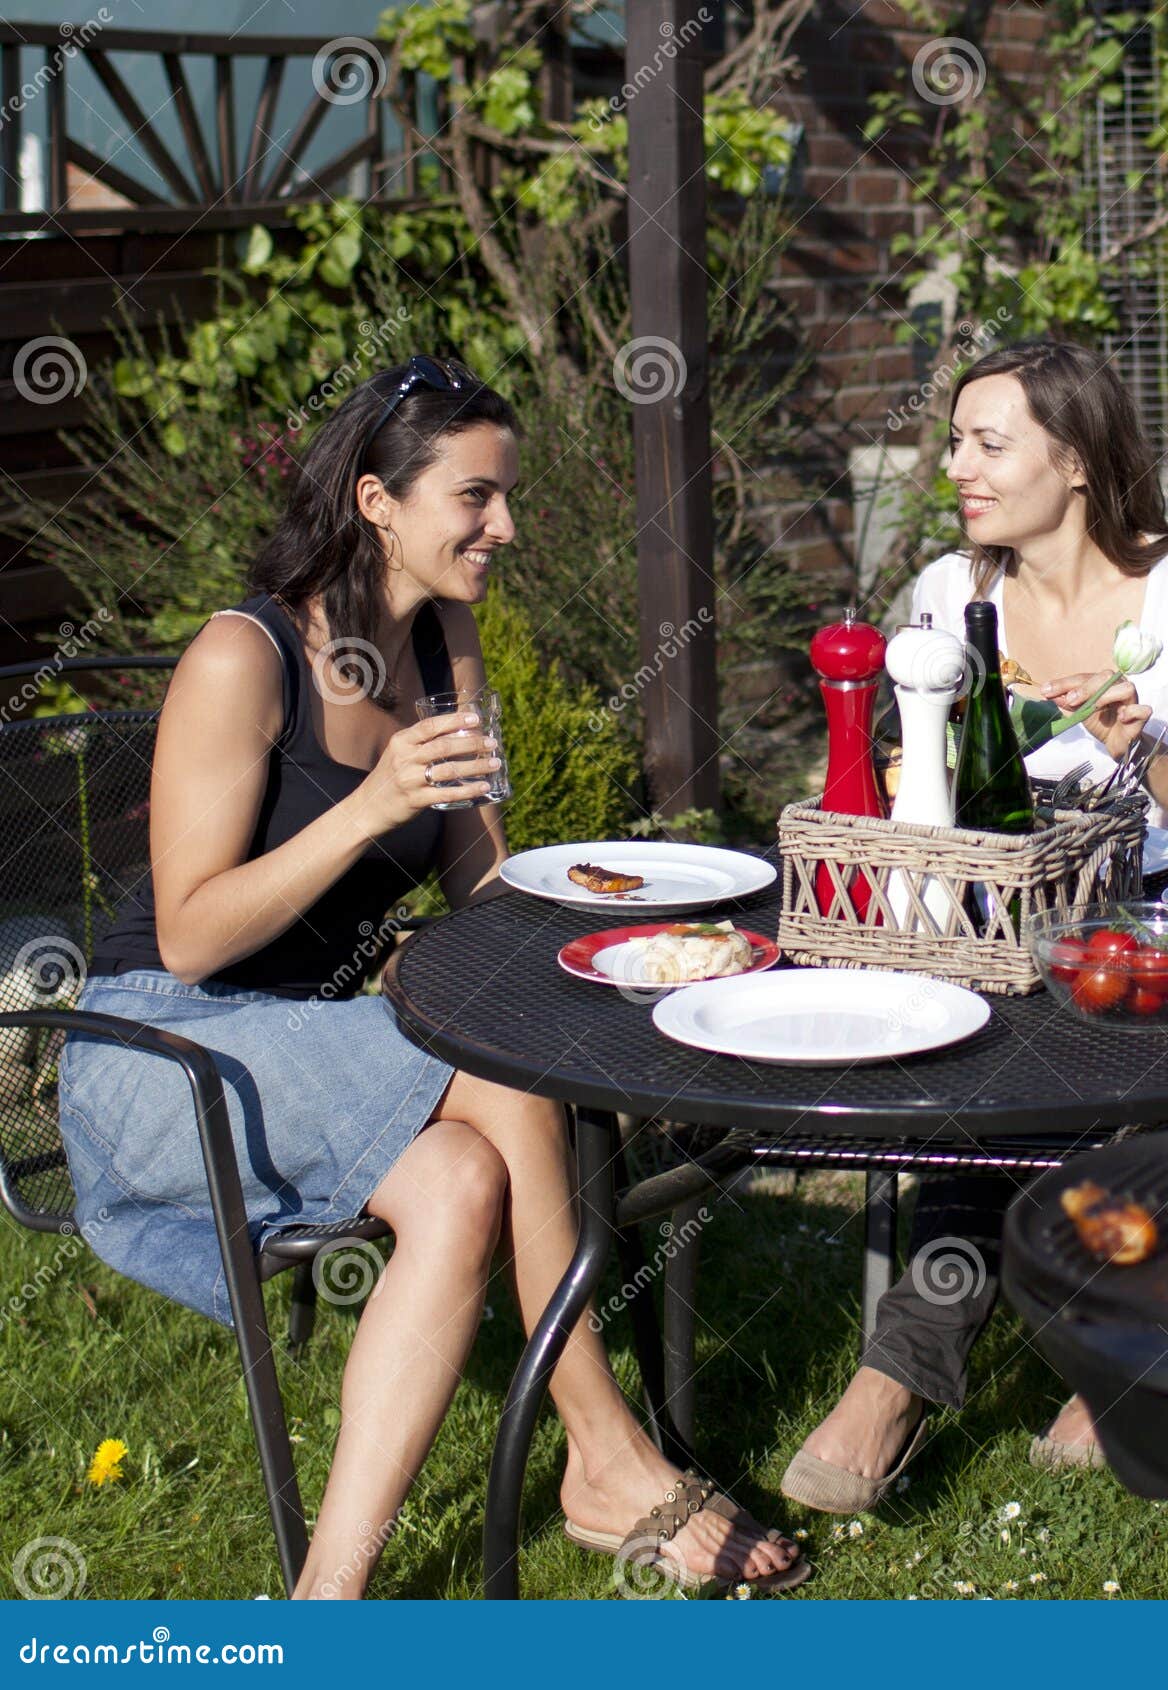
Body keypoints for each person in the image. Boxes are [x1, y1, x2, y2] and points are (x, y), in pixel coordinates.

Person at [57, 356, 806, 1599]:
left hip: (294, 1045)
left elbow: (486, 889)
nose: (503, 525)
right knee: (495, 1079)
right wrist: (370, 809)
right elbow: (188, 937)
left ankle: (329, 1603)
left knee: (461, 1178)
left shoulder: (442, 642)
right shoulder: (246, 658)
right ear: (375, 501)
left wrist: (647, 938)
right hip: (155, 1055)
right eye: (476, 497)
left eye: (502, 497)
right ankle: (606, 1453)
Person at [781, 335, 1168, 1514]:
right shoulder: (949, 600)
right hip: (1015, 920)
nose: (957, 465)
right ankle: (914, 1372)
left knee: (1096, 1030)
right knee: (975, 1046)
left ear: (1073, 461)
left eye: (988, 443)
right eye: (955, 440)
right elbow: (934, 808)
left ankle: (1106, 1348)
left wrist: (1138, 746)